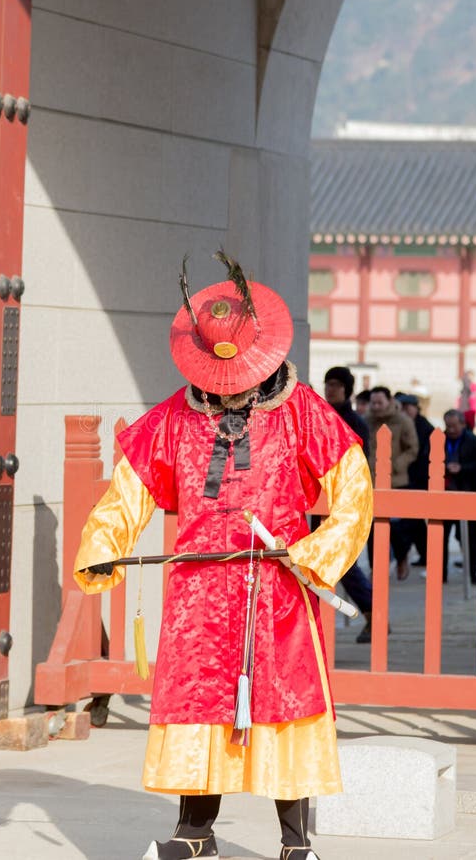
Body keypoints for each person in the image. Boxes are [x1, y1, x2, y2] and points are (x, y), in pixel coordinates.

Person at [73, 252, 373, 860]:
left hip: (278, 583)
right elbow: (128, 489)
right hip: (200, 591)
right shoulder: (174, 418)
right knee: (198, 703)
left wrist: (316, 551)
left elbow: (354, 489)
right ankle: (194, 834)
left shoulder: (300, 411)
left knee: (284, 704)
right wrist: (105, 543)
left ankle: (295, 844)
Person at [322, 367, 374, 643]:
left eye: (335, 385)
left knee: (343, 562)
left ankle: (373, 611)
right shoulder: (321, 415)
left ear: (346, 389)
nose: (330, 389)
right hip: (320, 498)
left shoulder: (355, 422)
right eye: (327, 384)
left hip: (345, 497)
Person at [365, 386, 419, 577]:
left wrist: (396, 464)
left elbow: (412, 448)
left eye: (380, 402)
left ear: (389, 401)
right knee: (371, 528)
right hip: (371, 480)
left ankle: (402, 557)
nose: (377, 406)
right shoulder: (366, 421)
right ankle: (375, 567)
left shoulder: (403, 421)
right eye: (374, 403)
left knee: (396, 528)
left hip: (397, 480)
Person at [390, 394, 434, 575]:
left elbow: (423, 456)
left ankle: (417, 555)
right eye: (403, 406)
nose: (407, 410)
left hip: (419, 479)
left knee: (411, 522)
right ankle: (420, 555)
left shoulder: (425, 428)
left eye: (410, 407)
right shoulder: (399, 424)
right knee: (410, 522)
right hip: (402, 479)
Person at [442, 410, 476, 584]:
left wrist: (462, 468)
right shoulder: (439, 440)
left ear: (463, 424)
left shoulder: (475, 442)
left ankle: (475, 570)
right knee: (441, 535)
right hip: (445, 495)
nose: (450, 430)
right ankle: (440, 574)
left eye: (454, 426)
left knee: (471, 536)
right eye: (448, 426)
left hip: (468, 492)